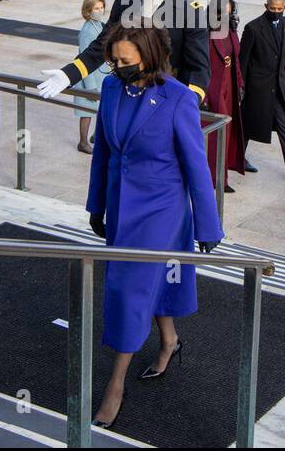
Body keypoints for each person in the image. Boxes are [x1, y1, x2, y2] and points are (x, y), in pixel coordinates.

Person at [85, 24, 222, 429]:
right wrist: (96, 204)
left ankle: (115, 383)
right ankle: (169, 340)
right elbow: (104, 152)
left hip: (161, 210)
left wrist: (208, 226)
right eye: (114, 61)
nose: (118, 67)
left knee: (128, 289)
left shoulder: (179, 98)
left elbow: (197, 165)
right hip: (119, 207)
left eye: (126, 61)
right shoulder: (112, 89)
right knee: (150, 282)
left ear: (148, 55)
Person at [36, 0, 210, 106]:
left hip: (164, 101)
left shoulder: (188, 11)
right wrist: (68, 74)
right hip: (125, 95)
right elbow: (102, 45)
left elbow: (198, 70)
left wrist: (187, 104)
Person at [239, 0, 285, 181]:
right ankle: (238, 158)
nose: (277, 12)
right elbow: (243, 61)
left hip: (279, 87)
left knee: (284, 126)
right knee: (249, 124)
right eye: (273, 9)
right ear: (265, 6)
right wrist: (241, 86)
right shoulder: (253, 28)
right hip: (258, 87)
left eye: (280, 9)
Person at [205, 0, 246, 193]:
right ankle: (214, 177)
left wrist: (239, 83)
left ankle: (223, 175)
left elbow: (235, 59)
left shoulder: (231, 30)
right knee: (217, 132)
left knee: (228, 130)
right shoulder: (204, 32)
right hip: (212, 86)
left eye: (229, 11)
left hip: (228, 83)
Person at [74, 0, 109, 152]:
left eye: (101, 7)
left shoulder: (100, 25)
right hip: (90, 77)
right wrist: (90, 87)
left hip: (101, 75)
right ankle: (83, 142)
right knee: (86, 111)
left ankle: (96, 135)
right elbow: (84, 57)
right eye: (96, 8)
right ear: (88, 10)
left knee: (100, 108)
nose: (100, 11)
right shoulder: (87, 31)